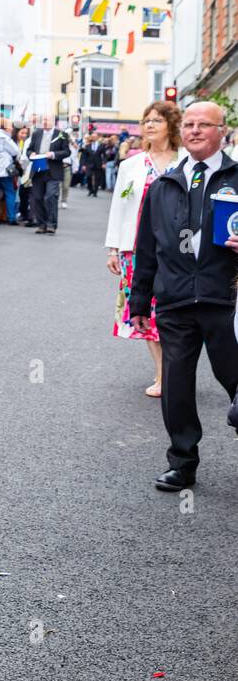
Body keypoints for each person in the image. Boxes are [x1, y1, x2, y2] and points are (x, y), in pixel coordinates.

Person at [130, 101, 238, 493]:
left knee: (236, 380)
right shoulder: (165, 184)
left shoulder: (236, 177)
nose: (193, 130)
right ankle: (181, 462)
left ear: (221, 131)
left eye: (203, 125)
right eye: (189, 124)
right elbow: (146, 247)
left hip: (226, 301)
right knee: (176, 386)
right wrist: (139, 303)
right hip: (175, 300)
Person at [106, 101, 185, 399]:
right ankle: (162, 373)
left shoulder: (187, 162)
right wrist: (113, 249)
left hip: (177, 249)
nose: (149, 125)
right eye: (146, 121)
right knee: (146, 313)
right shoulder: (131, 165)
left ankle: (173, 371)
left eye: (157, 120)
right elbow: (119, 207)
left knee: (172, 311)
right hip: (135, 249)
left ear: (171, 125)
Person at [26, 117, 69, 234]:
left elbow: (67, 151)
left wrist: (54, 154)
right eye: (43, 120)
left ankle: (51, 224)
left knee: (50, 196)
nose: (45, 122)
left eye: (47, 120)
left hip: (53, 170)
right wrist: (31, 154)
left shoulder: (62, 134)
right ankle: (41, 224)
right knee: (38, 197)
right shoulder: (36, 133)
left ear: (53, 122)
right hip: (39, 168)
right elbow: (28, 150)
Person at [0, 118, 20, 225]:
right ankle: (11, 217)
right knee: (10, 192)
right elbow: (15, 150)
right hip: (5, 168)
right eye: (10, 126)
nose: (11, 128)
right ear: (5, 127)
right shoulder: (4, 137)